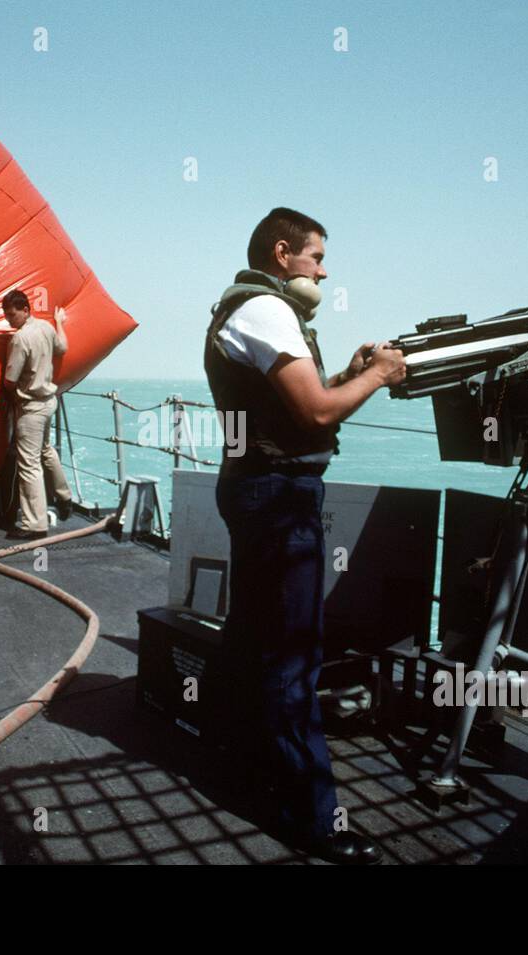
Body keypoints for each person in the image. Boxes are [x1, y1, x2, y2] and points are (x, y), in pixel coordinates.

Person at [204, 207, 406, 865]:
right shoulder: (267, 311)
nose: (324, 269)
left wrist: (349, 372)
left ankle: (236, 762)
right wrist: (379, 377)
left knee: (252, 638)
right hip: (278, 498)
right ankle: (315, 819)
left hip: (253, 485)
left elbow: (304, 405)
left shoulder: (246, 308)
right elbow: (317, 411)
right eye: (317, 257)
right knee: (293, 654)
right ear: (284, 252)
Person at [0, 290, 72, 540]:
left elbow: (10, 379)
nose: (9, 320)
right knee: (46, 450)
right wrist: (60, 322)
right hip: (49, 401)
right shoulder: (45, 327)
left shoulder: (20, 339)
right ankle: (64, 496)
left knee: (29, 464)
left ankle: (35, 524)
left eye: (12, 315)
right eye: (6, 315)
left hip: (30, 407)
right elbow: (62, 348)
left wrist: (10, 395)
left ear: (25, 310)